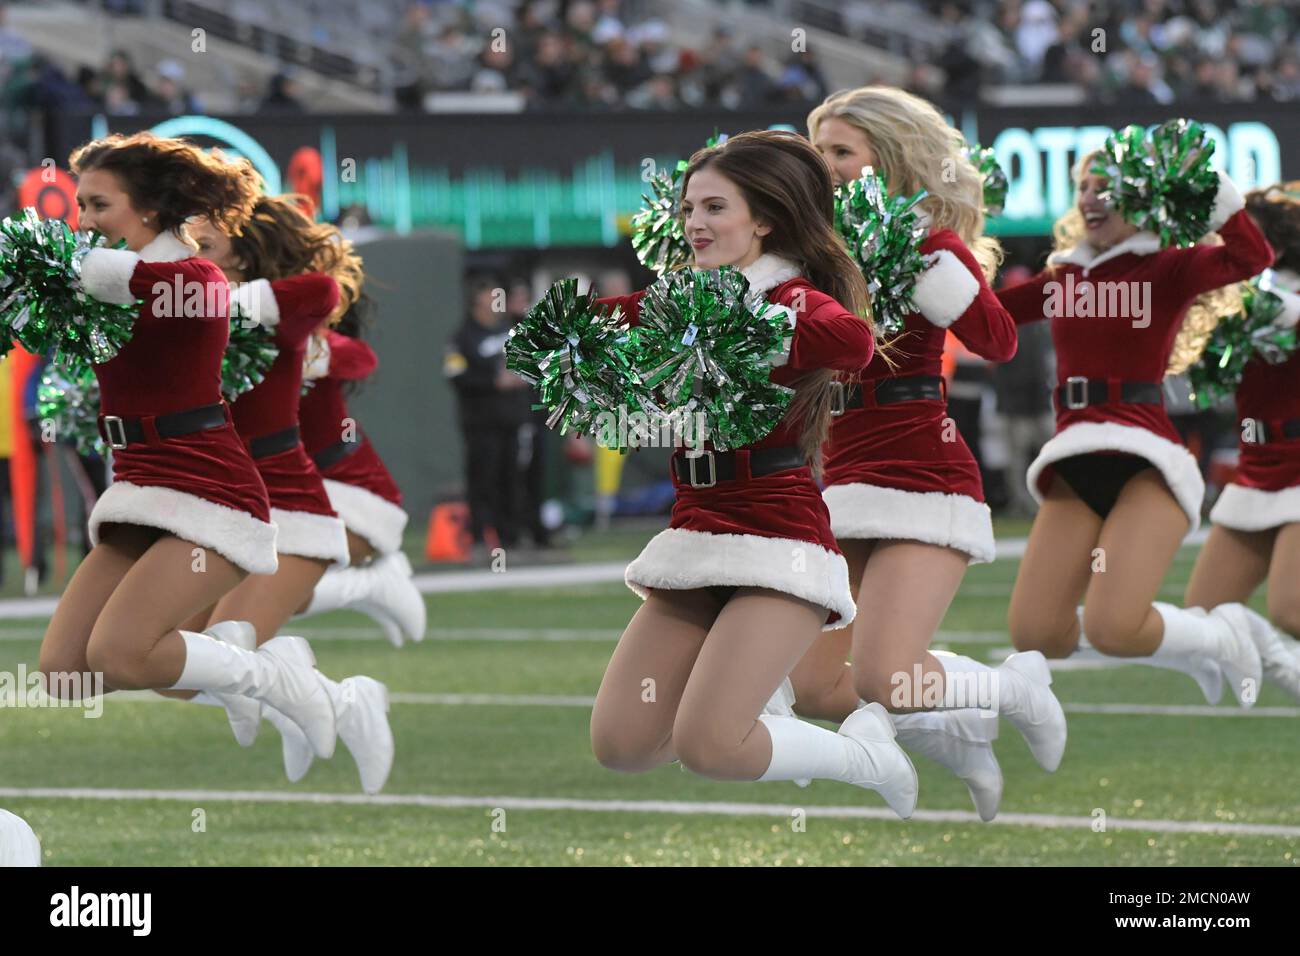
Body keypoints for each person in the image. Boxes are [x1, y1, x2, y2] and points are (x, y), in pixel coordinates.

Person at [588, 130, 917, 816]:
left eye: (714, 208)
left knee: (712, 746)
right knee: (621, 744)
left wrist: (749, 325)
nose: (695, 225)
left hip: (779, 542)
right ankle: (763, 701)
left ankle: (866, 758)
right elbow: (604, 321)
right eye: (687, 211)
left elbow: (852, 341)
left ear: (763, 219)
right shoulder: (682, 302)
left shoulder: (789, 295)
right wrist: (560, 334)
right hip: (696, 533)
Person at [790, 86, 1062, 822]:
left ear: (891, 157)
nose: (826, 164)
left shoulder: (927, 243)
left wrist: (939, 278)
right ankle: (956, 738)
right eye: (817, 151)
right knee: (815, 687)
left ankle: (1014, 689)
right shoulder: (815, 249)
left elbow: (999, 341)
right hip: (839, 474)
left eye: (841, 150)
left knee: (885, 673)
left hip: (921, 471)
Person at [39, 132, 335, 760]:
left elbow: (135, 282)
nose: (83, 222)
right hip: (139, 487)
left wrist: (66, 266)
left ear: (148, 208)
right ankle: (249, 665)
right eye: (79, 208)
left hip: (209, 490)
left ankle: (274, 676)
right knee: (65, 674)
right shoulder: (111, 277)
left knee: (121, 651)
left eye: (98, 205)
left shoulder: (193, 279)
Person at [995, 150, 1275, 705]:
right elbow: (986, 321)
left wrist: (1209, 194)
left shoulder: (1166, 265)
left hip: (1144, 455)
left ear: (1142, 200)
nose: (1091, 196)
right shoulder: (1064, 275)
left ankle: (1224, 636)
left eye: (1107, 186)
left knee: (1113, 627)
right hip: (1076, 455)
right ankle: (1191, 645)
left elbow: (1252, 255)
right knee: (1036, 635)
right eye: (1084, 186)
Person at [1185, 183, 1300, 700]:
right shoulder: (1233, 296)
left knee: (1292, 607)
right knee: (1204, 622)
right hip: (1257, 464)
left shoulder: (1275, 297)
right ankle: (1281, 661)